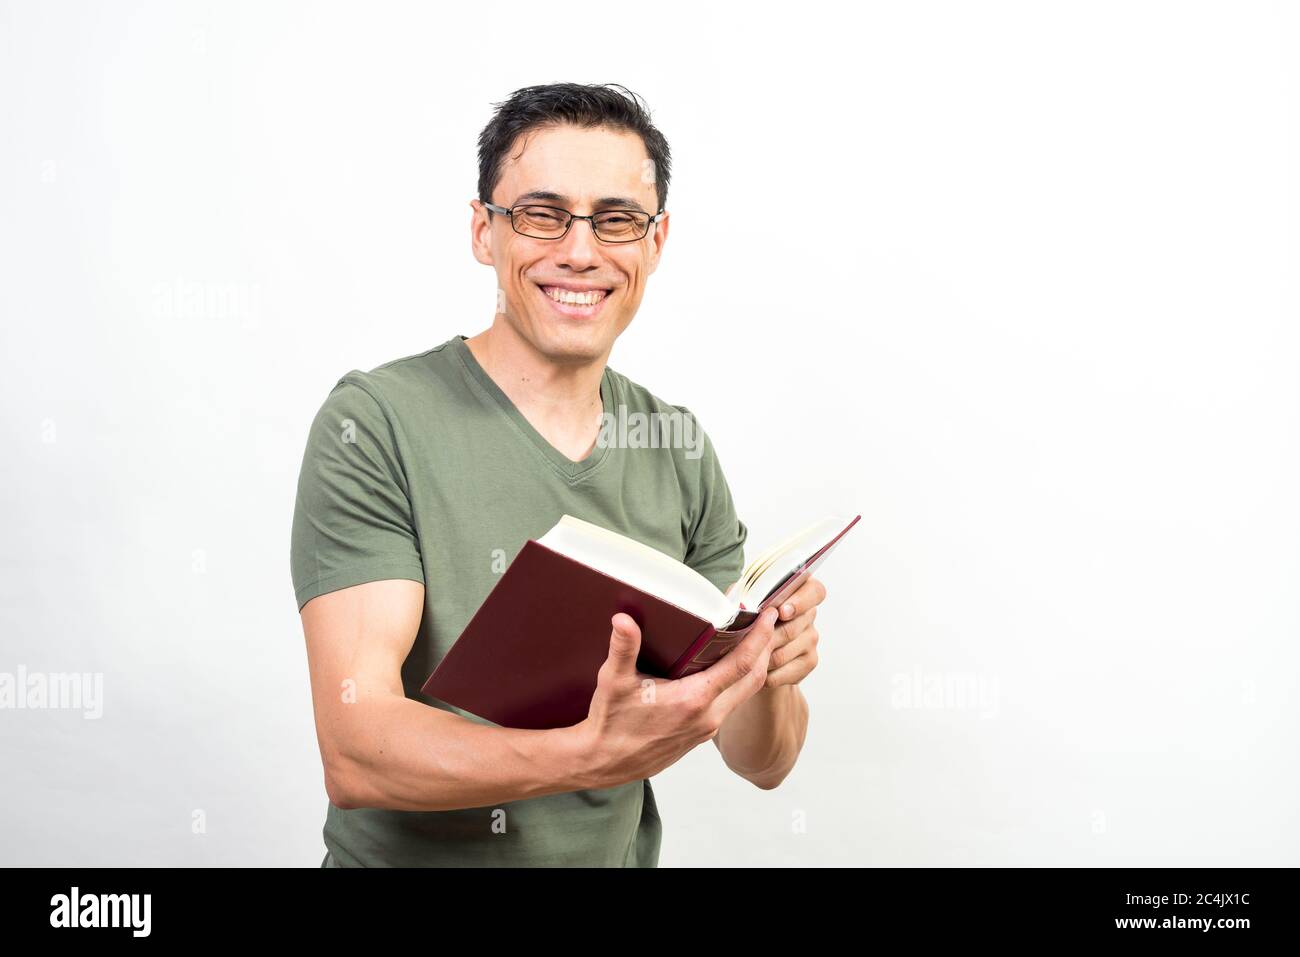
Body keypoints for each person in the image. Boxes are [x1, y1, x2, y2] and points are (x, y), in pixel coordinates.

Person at [290, 82, 828, 867]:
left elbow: (764, 761)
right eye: (542, 215)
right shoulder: (375, 423)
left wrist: (766, 662)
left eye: (616, 220)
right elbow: (356, 747)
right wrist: (588, 754)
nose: (580, 251)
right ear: (483, 230)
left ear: (656, 242)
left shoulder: (675, 445)